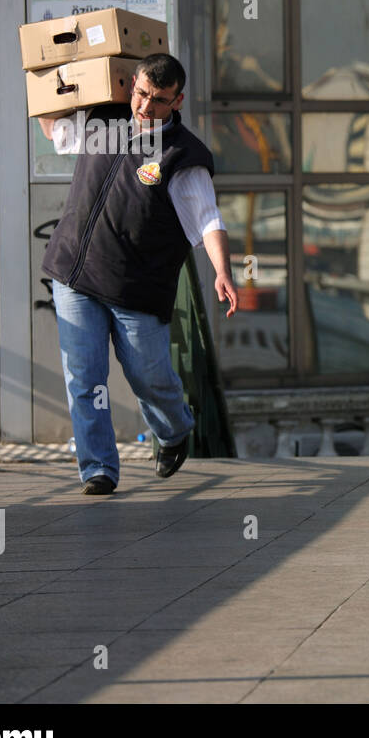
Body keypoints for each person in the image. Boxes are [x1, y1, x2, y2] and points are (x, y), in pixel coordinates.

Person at [39, 53, 238, 495]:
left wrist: (222, 270)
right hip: (75, 272)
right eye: (142, 94)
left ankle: (173, 430)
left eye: (159, 100)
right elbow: (54, 128)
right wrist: (49, 80)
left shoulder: (183, 156)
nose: (145, 107)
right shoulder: (102, 125)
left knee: (149, 376)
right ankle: (98, 469)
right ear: (133, 84)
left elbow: (208, 220)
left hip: (136, 289)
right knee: (83, 374)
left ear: (177, 101)